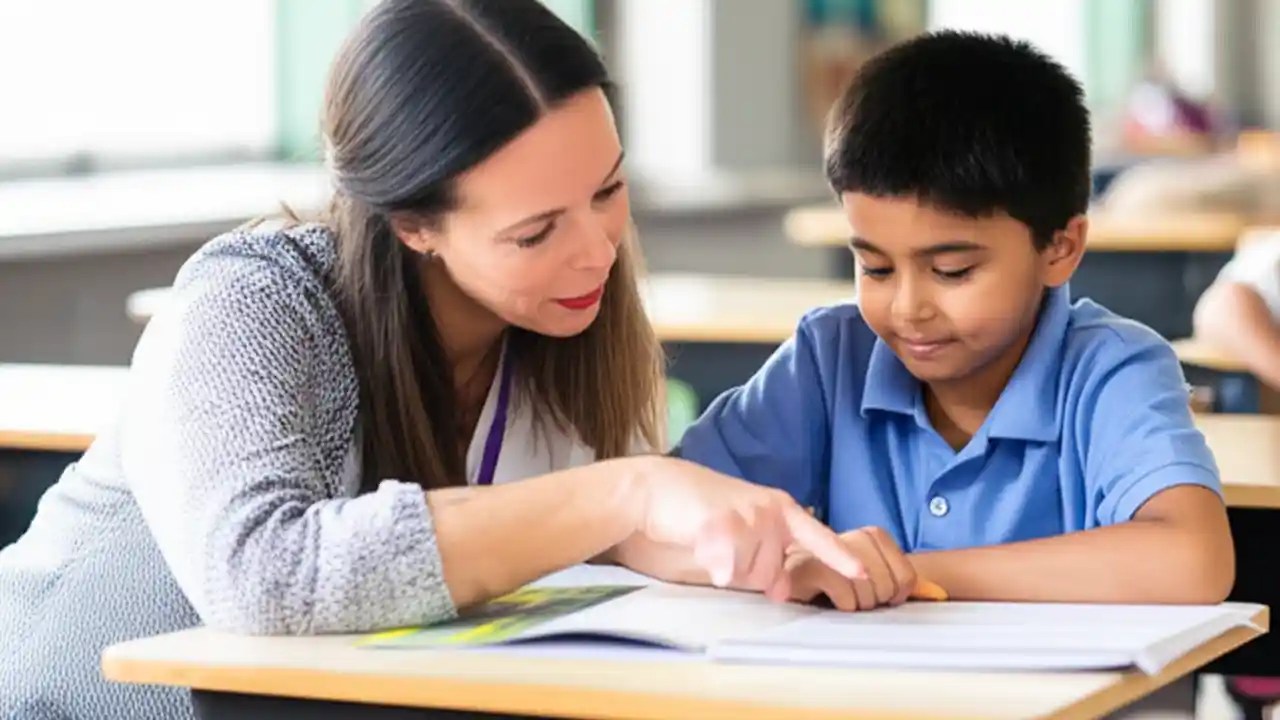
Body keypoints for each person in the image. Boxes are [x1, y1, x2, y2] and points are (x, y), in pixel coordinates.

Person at [0, 2, 861, 717]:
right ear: (411, 226)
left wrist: (743, 553)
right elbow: (265, 575)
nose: (597, 252)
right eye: (534, 231)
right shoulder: (256, 302)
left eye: (607, 192)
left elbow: (570, 539)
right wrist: (630, 490)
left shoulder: (556, 321)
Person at [662, 31, 1235, 612]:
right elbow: (659, 516)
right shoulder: (829, 359)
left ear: (1059, 248)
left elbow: (1194, 561)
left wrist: (907, 572)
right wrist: (781, 562)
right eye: (875, 267)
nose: (909, 307)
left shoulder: (1112, 370)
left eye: (953, 271)